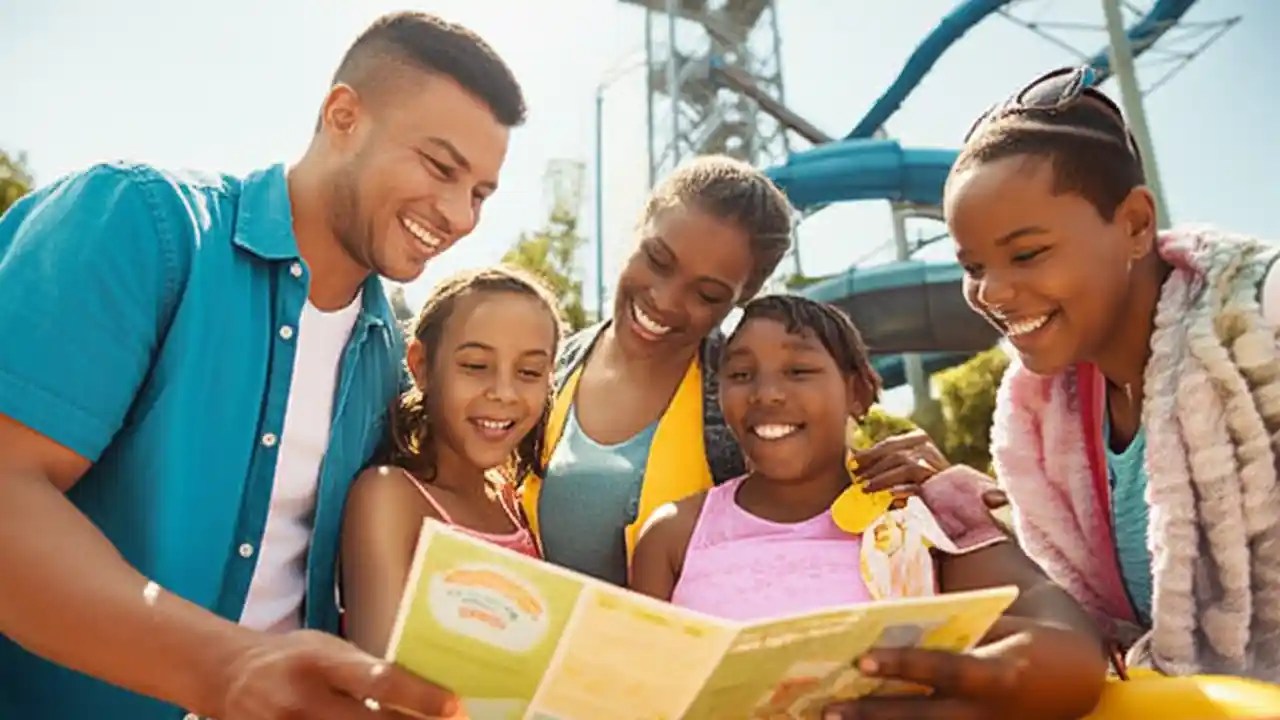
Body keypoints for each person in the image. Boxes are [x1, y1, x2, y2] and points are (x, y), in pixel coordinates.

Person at [0, 12, 524, 719]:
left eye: (482, 194)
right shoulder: (141, 226)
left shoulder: (387, 359)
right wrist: (226, 669)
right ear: (343, 115)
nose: (461, 215)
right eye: (440, 167)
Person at [945, 65, 1280, 681]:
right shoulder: (1046, 417)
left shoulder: (1263, 323)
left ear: (1134, 224)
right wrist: (956, 503)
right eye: (972, 266)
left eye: (1027, 254)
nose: (991, 291)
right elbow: (1088, 606)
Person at [632, 294, 1108, 720]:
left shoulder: (920, 515)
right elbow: (637, 694)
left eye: (799, 371)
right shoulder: (676, 534)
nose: (767, 392)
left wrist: (926, 656)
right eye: (740, 374)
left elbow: (1075, 657)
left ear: (857, 392)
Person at [517, 154, 791, 586]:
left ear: (743, 297)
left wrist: (911, 482)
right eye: (658, 261)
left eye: (706, 294)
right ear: (638, 230)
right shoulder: (545, 370)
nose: (665, 300)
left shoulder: (749, 413)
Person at [341, 266, 561, 657]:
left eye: (529, 372)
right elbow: (375, 679)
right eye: (476, 366)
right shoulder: (390, 496)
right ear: (422, 367)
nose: (504, 393)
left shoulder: (516, 506)